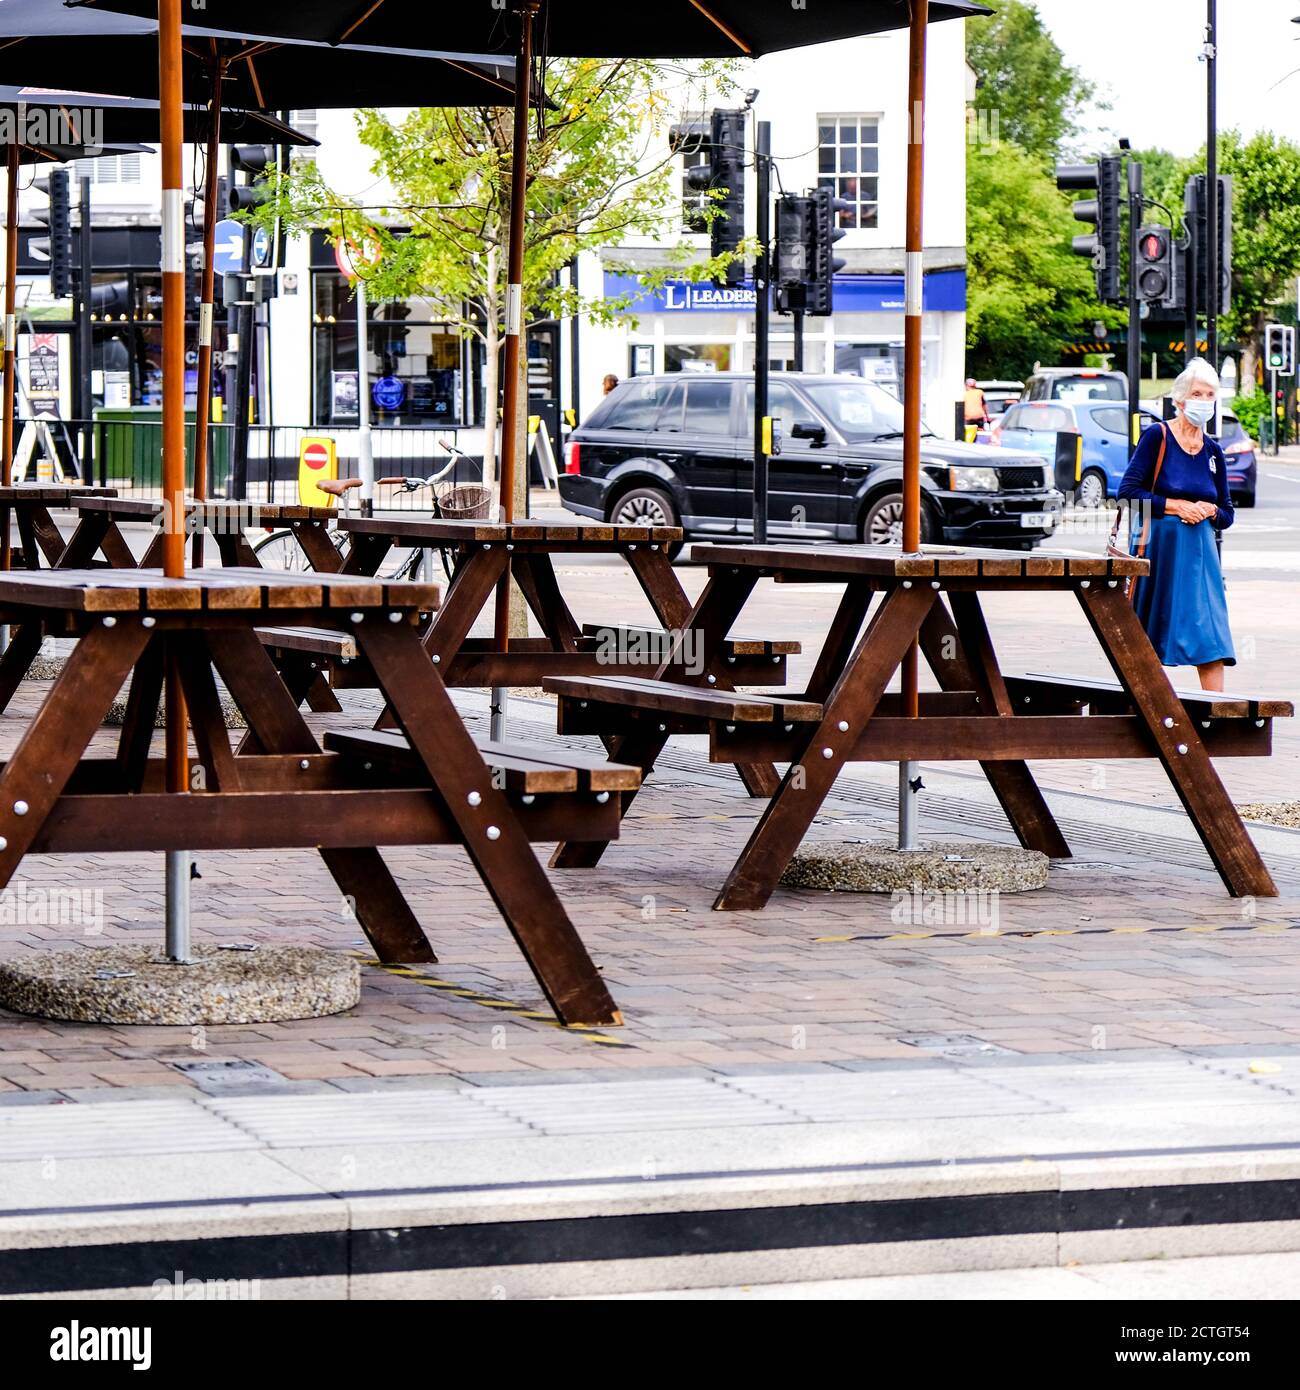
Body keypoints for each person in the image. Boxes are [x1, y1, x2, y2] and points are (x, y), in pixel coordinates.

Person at [1117, 358, 1234, 692]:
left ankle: (1215, 717)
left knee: (1211, 638)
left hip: (1201, 559)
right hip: (1160, 552)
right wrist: (1175, 505)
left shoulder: (1213, 450)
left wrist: (1208, 510)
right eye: (1197, 393)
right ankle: (1148, 713)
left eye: (1210, 394)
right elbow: (1128, 493)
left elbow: (1226, 513)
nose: (1204, 400)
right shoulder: (1158, 436)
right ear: (1180, 399)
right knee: (1151, 638)